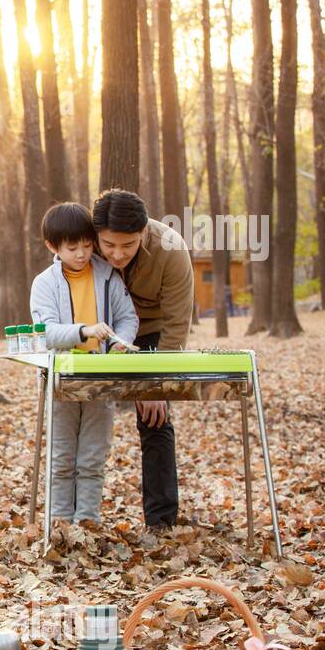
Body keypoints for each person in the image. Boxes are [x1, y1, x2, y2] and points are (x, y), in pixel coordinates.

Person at [91, 189, 195, 529]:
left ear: (143, 234)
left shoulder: (171, 248)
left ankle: (161, 520)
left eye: (127, 245)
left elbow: (177, 325)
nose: (117, 254)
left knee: (155, 420)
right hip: (99, 327)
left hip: (152, 332)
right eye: (108, 245)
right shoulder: (85, 241)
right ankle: (79, 519)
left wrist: (155, 385)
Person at [30, 203, 139, 524]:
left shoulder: (108, 275)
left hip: (102, 378)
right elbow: (45, 331)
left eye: (87, 245)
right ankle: (60, 524)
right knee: (62, 457)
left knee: (92, 456)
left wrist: (120, 342)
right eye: (72, 247)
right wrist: (84, 331)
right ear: (53, 246)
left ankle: (88, 522)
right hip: (62, 380)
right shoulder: (44, 283)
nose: (81, 254)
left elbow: (127, 317)